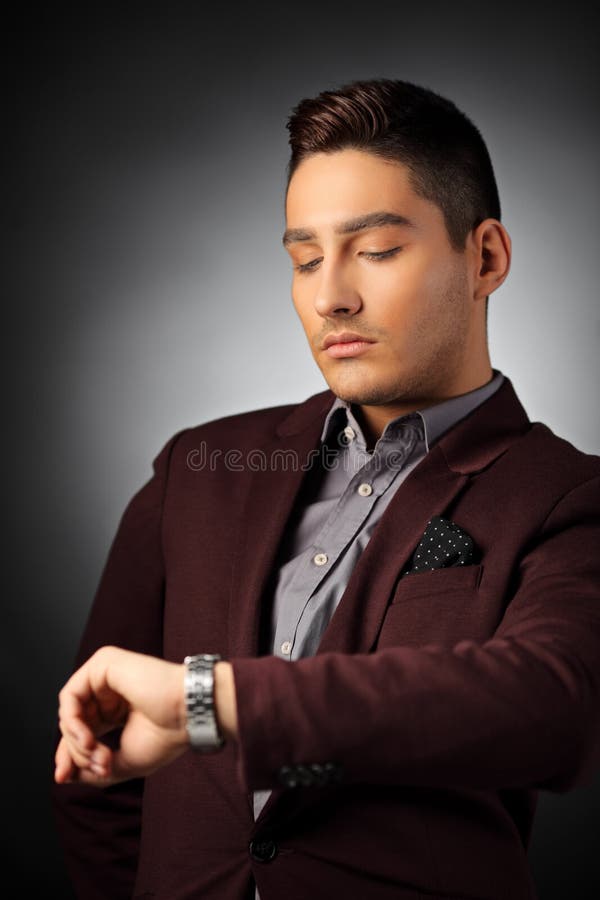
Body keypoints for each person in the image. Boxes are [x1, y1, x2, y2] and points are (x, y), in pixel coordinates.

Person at [53, 78, 600, 900]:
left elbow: (551, 710)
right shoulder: (197, 468)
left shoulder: (565, 495)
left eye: (375, 251)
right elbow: (96, 760)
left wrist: (211, 699)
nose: (328, 295)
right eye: (305, 258)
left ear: (485, 257)